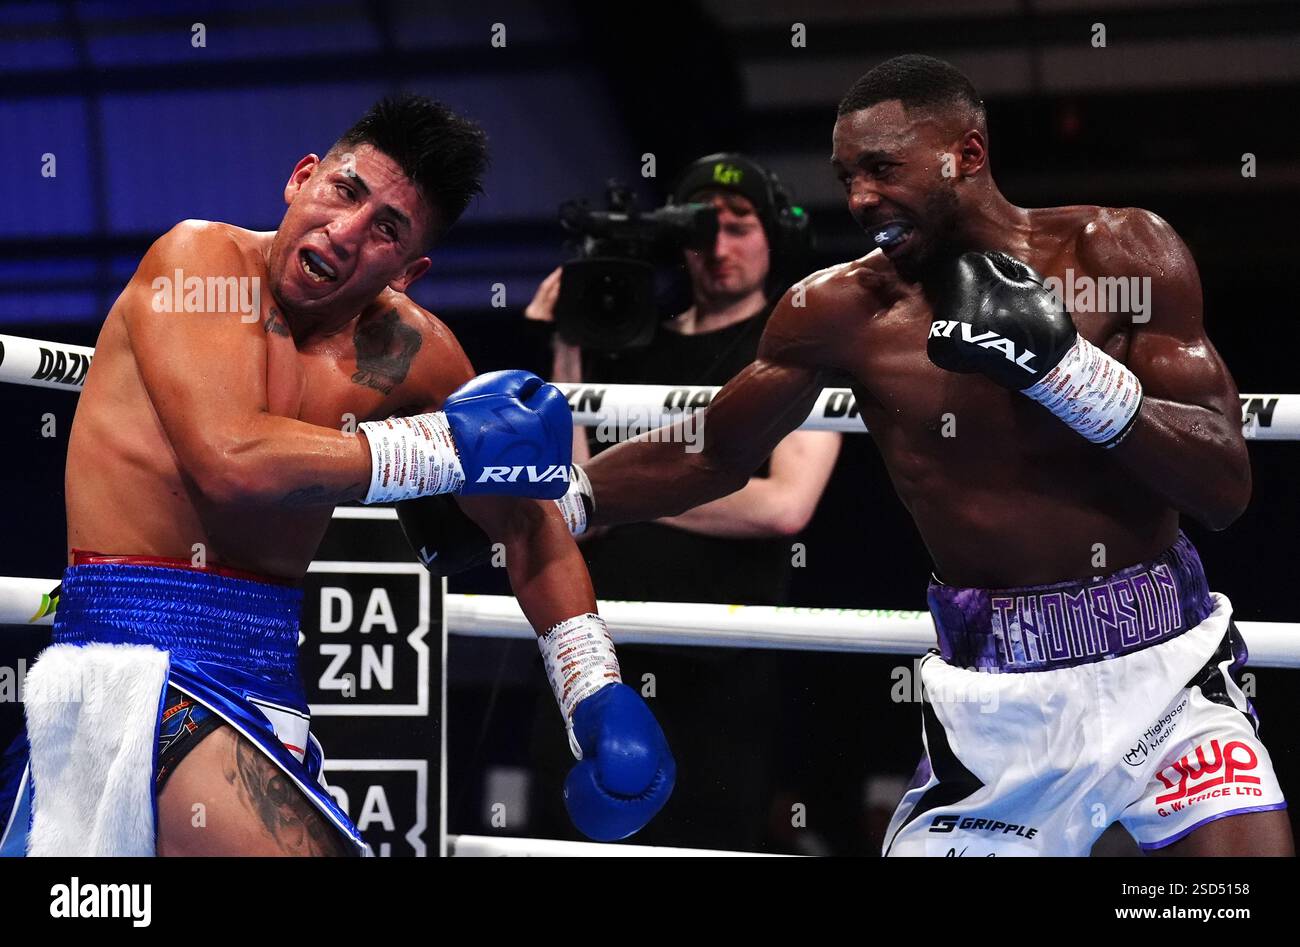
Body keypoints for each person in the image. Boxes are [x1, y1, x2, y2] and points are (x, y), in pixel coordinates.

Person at [570, 56, 1291, 856]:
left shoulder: (1119, 253)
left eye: (882, 168)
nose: (860, 199)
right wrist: (560, 498)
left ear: (968, 156)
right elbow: (715, 451)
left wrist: (1065, 371)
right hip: (992, 709)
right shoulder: (838, 308)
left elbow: (1225, 484)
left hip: (1168, 671)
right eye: (848, 176)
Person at [8, 94, 672, 857]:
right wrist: (445, 448)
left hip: (270, 686)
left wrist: (591, 684)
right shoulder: (198, 264)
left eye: (387, 228)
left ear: (411, 269)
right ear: (302, 178)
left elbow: (525, 521)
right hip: (137, 662)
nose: (347, 231)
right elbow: (233, 460)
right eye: (345, 191)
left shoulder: (414, 351)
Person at [522, 155, 841, 848]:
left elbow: (787, 504)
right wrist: (571, 339)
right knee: (570, 839)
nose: (720, 247)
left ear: (774, 235)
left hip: (720, 662)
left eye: (738, 225)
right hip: (603, 651)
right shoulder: (632, 338)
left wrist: (617, 498)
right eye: (703, 230)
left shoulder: (795, 349)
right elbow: (568, 490)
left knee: (706, 845)